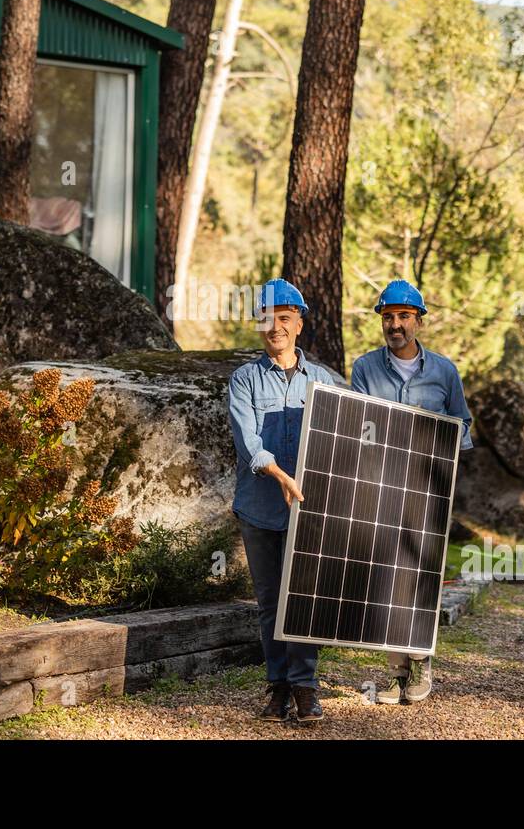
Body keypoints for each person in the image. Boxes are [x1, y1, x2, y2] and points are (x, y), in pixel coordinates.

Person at [349, 279, 474, 705]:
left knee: (420, 577)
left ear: (418, 321)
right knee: (385, 577)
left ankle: (421, 664)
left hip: (427, 490)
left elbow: (464, 426)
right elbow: (358, 425)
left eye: (403, 316)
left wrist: (439, 446)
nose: (395, 324)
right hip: (382, 486)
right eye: (388, 317)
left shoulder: (444, 372)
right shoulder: (365, 368)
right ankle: (394, 674)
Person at [228, 278, 338, 724]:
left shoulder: (325, 381)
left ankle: (306, 689)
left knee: (304, 598)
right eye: (267, 318)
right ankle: (278, 688)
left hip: (306, 509)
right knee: (271, 602)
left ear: (299, 324)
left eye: (284, 318)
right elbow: (248, 441)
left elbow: (339, 440)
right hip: (259, 509)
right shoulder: (244, 380)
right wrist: (278, 474)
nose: (275, 326)